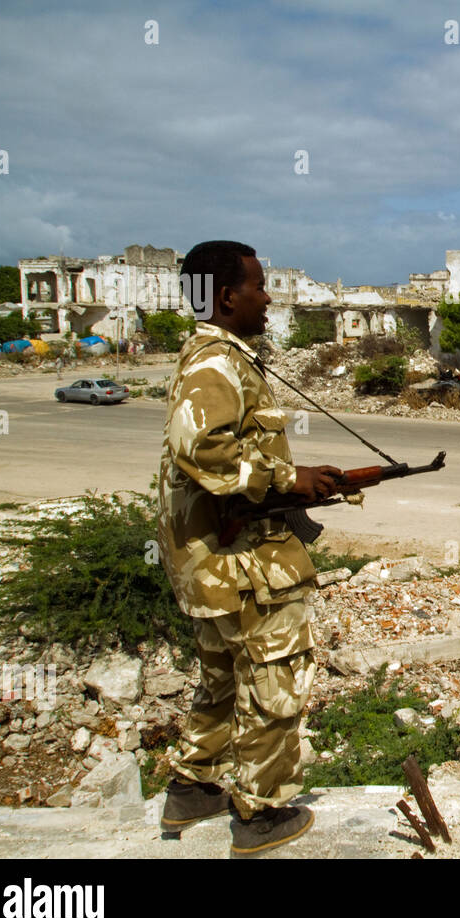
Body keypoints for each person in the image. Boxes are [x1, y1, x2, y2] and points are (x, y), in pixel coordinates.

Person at [156, 240, 341, 857]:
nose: (268, 298)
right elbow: (201, 450)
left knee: (219, 677)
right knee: (273, 678)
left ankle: (194, 788)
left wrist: (299, 477)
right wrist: (289, 480)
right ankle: (260, 814)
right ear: (228, 296)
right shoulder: (216, 364)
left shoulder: (222, 358)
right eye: (259, 287)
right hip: (242, 567)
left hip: (216, 563)